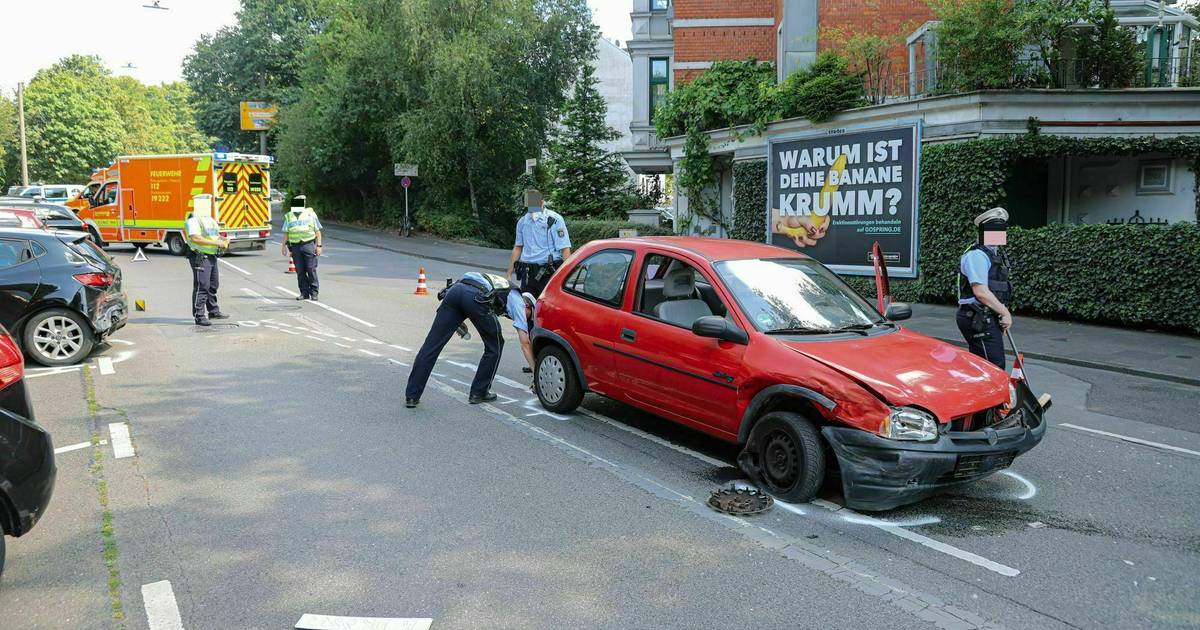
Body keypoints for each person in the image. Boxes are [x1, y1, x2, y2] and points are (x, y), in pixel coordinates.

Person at [405, 272, 511, 408]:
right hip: (476, 296)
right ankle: (479, 392)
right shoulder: (517, 298)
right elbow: (524, 337)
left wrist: (456, 320)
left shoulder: (498, 282)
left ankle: (412, 396)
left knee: (431, 346)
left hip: (455, 290)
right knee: (495, 344)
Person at [956, 207, 1013, 369]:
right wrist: (1004, 312)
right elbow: (981, 292)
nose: (1002, 233)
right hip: (977, 316)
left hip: (984, 315)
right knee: (993, 368)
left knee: (981, 367)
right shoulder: (977, 255)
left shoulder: (992, 254)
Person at [508, 189, 571, 297]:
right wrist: (509, 273)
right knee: (526, 308)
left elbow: (565, 248)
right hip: (527, 273)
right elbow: (518, 247)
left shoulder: (554, 220)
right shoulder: (523, 222)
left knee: (547, 307)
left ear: (542, 202)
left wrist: (566, 276)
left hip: (548, 272)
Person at [184, 195, 230, 326]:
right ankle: (199, 316)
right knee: (202, 285)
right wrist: (216, 243)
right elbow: (195, 238)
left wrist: (222, 239)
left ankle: (213, 311)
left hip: (211, 255)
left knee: (213, 284)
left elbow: (214, 235)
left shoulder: (210, 220)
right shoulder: (193, 220)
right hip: (200, 256)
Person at [281, 195, 323, 301]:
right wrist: (283, 246)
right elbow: (286, 232)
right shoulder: (289, 216)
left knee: (311, 269)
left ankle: (314, 293)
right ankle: (304, 293)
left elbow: (318, 232)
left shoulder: (310, 214)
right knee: (300, 271)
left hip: (308, 245)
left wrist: (318, 246)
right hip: (295, 246)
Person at [506, 288, 537, 375]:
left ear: (527, 306)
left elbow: (525, 344)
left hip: (538, 320)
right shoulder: (519, 307)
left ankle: (536, 366)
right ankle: (534, 365)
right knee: (528, 339)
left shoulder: (535, 310)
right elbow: (525, 343)